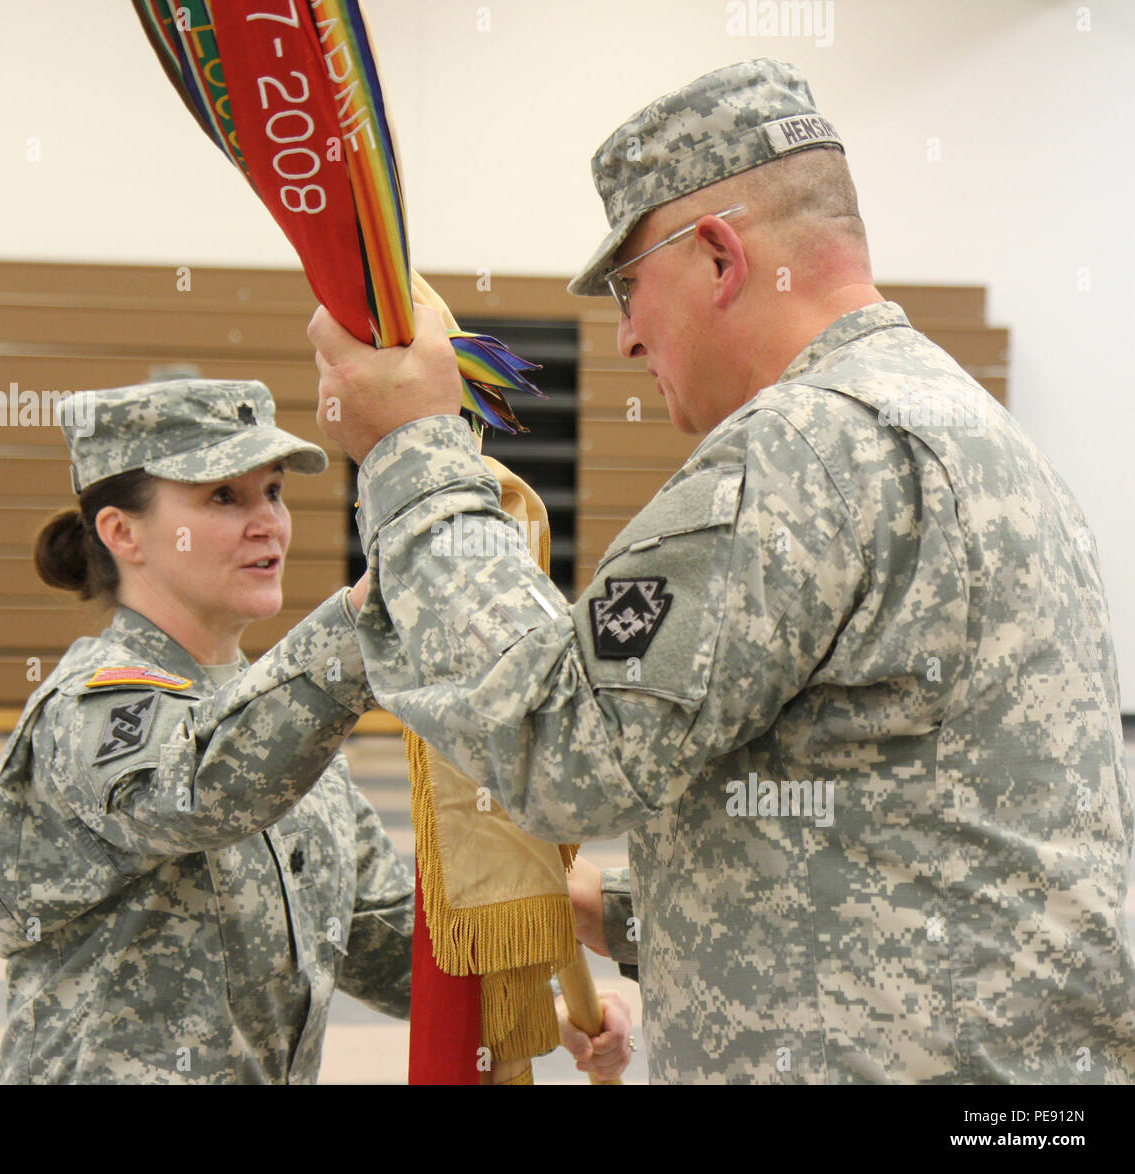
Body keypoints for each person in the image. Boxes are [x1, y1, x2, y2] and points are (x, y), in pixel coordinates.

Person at [307, 59, 1135, 1083]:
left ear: (714, 255)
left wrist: (415, 452)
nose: (623, 336)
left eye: (626, 285)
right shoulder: (970, 430)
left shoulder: (808, 449)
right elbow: (900, 857)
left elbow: (551, 743)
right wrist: (602, 914)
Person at [0, 378, 630, 1084]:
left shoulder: (289, 729)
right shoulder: (87, 709)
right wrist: (369, 613)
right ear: (122, 532)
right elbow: (199, 789)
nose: (267, 521)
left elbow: (389, 942)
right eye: (223, 498)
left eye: (272, 492)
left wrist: (534, 1008)